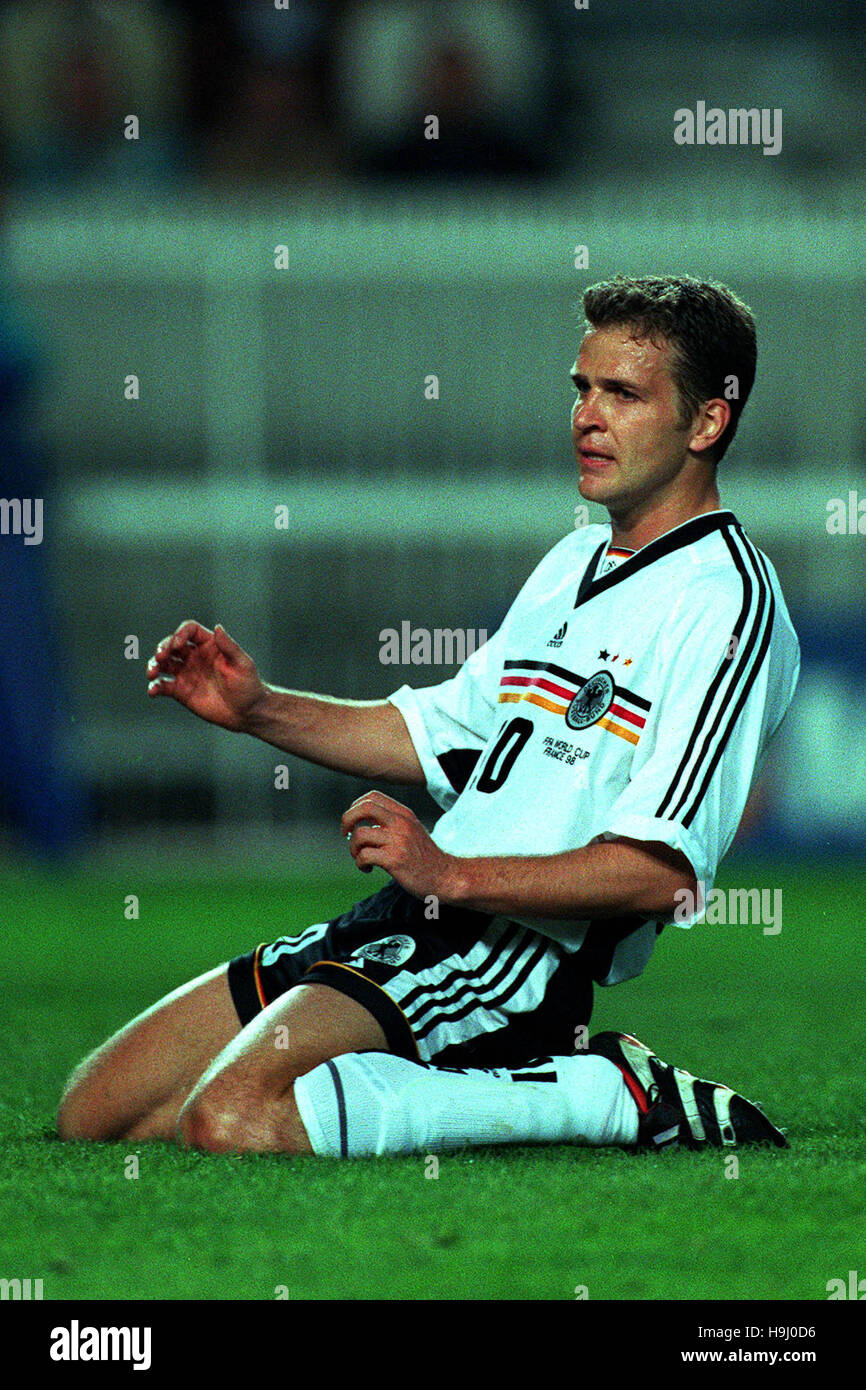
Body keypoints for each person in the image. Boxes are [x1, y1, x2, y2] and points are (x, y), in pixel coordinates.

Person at [57, 275, 800, 1158]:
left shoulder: (725, 602)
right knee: (97, 1112)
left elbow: (659, 874)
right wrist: (259, 709)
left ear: (708, 422)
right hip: (413, 915)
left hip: (515, 956)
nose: (587, 417)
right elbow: (429, 733)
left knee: (231, 1120)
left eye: (624, 394)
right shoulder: (572, 561)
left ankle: (608, 1094)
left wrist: (451, 872)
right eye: (582, 388)